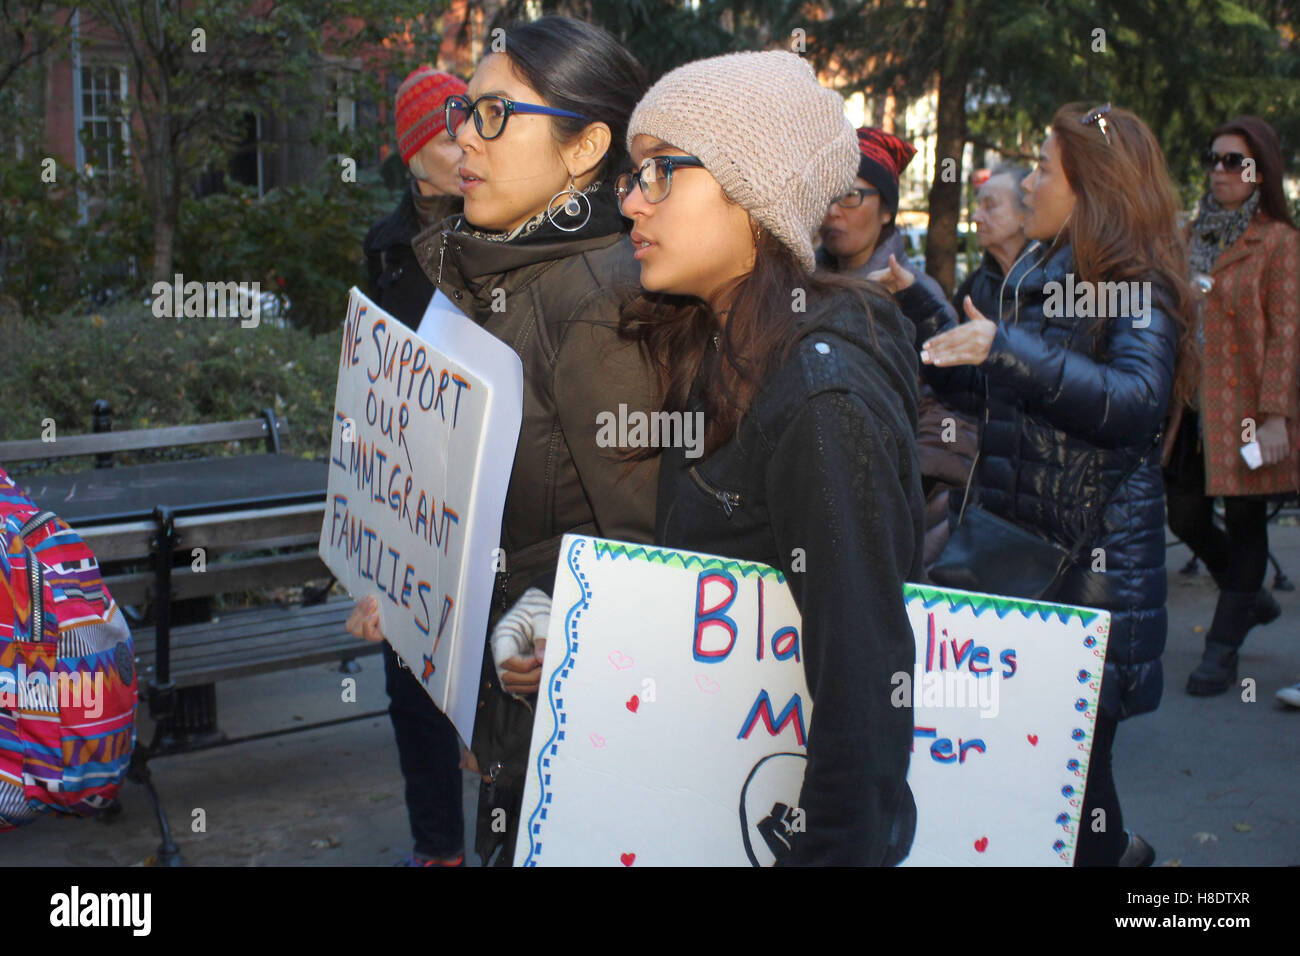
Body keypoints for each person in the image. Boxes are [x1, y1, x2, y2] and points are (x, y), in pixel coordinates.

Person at [347, 15, 657, 867]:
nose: (465, 138)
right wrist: (400, 569)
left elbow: (648, 539)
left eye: (494, 115)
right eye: (462, 115)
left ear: (585, 146)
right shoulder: (494, 271)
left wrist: (550, 626)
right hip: (517, 703)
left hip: (584, 727)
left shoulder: (596, 302)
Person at [617, 50, 923, 865]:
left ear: (753, 194)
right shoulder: (717, 347)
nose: (629, 201)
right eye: (629, 175)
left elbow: (864, 689)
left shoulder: (822, 401)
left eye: (658, 172)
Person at [887, 103, 1196, 867]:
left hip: (1090, 576)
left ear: (1091, 186)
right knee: (1068, 779)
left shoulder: (1133, 284)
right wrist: (925, 301)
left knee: (1073, 778)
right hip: (1029, 562)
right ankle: (1119, 851)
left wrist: (1005, 350)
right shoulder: (1052, 274)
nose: (1030, 186)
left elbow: (1131, 402)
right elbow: (999, 396)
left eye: (1047, 170)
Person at [355, 67, 469, 867]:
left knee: (497, 674)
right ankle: (438, 848)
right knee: (410, 684)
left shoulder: (502, 224)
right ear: (412, 153)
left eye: (470, 124)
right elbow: (375, 384)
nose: (465, 144)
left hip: (492, 481)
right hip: (412, 491)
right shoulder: (387, 245)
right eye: (445, 132)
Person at [1162, 116, 1300, 698]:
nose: (1221, 171)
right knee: (1184, 514)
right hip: (1192, 407)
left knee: (1246, 523)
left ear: (1260, 171)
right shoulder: (1191, 235)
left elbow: (1287, 333)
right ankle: (1251, 600)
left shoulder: (1278, 243)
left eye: (1235, 161)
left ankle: (1221, 648)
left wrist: (1275, 416)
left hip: (1248, 408)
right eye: (1214, 159)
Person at [819, 128, 977, 568]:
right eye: (827, 195)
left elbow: (953, 412)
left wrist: (907, 491)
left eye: (851, 196)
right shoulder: (800, 282)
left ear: (887, 210)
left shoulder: (916, 296)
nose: (833, 211)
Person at [954, 163, 1033, 321]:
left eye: (990, 206)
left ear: (1025, 214)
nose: (976, 217)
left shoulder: (1053, 281)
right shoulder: (976, 285)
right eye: (978, 206)